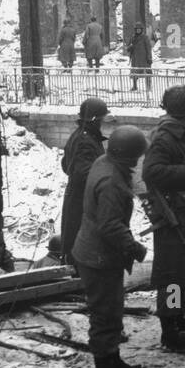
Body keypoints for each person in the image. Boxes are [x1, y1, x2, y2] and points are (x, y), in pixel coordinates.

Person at [71, 126, 150, 368]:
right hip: (98, 256)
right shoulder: (112, 183)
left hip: (97, 253)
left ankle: (114, 363)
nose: (139, 161)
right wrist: (135, 247)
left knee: (112, 312)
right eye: (138, 156)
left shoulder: (104, 162)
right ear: (129, 156)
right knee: (104, 316)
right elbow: (110, 226)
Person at [142, 85, 185, 353]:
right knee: (172, 275)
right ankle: (170, 330)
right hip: (173, 217)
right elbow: (152, 172)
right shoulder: (165, 137)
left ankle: (179, 318)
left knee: (184, 272)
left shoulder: (183, 133)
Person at [59, 98, 112, 265]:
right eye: (102, 119)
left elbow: (65, 164)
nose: (103, 122)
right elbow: (82, 173)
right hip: (82, 200)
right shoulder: (85, 140)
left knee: (77, 241)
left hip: (79, 197)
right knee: (80, 242)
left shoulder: (83, 136)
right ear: (95, 120)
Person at [126, 22, 154, 90]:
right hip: (135, 58)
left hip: (144, 59)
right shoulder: (133, 37)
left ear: (141, 29)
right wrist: (130, 47)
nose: (138, 30)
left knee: (147, 73)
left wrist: (149, 58)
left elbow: (148, 48)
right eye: (137, 29)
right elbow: (128, 47)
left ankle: (148, 86)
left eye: (139, 29)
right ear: (135, 30)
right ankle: (135, 86)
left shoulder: (145, 37)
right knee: (134, 73)